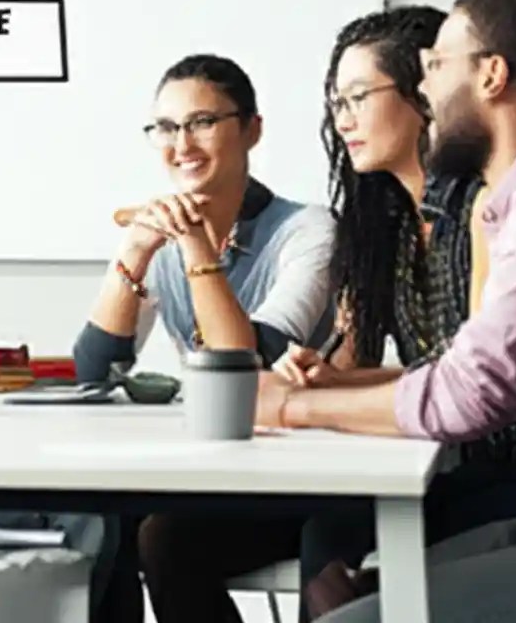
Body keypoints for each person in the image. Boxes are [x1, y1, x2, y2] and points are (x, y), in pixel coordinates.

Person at [275, 0, 516, 621]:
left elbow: (467, 394)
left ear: (492, 75)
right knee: (358, 589)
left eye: (435, 65)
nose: (425, 88)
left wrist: (289, 407)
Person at [269, 6, 516, 617]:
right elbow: (414, 367)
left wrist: (310, 399)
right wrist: (327, 376)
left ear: (424, 94)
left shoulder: (486, 209)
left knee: (334, 539)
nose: (343, 119)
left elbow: (481, 392)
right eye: (336, 103)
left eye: (358, 97)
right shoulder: (385, 223)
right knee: (323, 534)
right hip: (450, 456)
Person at [71, 54, 338, 623]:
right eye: (166, 128)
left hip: (303, 478)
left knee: (166, 539)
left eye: (202, 123)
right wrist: (135, 251)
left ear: (252, 130)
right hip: (208, 470)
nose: (181, 145)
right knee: (101, 524)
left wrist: (194, 245)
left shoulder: (308, 229)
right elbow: (94, 373)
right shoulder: (163, 234)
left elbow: (247, 364)